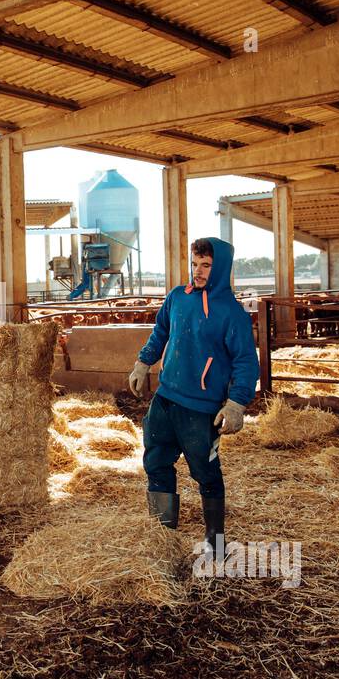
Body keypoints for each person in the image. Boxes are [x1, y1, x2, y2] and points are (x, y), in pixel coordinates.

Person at [128, 237, 259, 559]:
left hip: (201, 408)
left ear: (221, 268)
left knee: (205, 471)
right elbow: (160, 332)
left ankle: (215, 539)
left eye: (206, 265)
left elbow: (246, 362)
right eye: (195, 264)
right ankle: (163, 535)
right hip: (166, 397)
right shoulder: (177, 297)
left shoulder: (232, 313)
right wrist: (143, 363)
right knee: (156, 461)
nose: (198, 271)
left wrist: (236, 404)